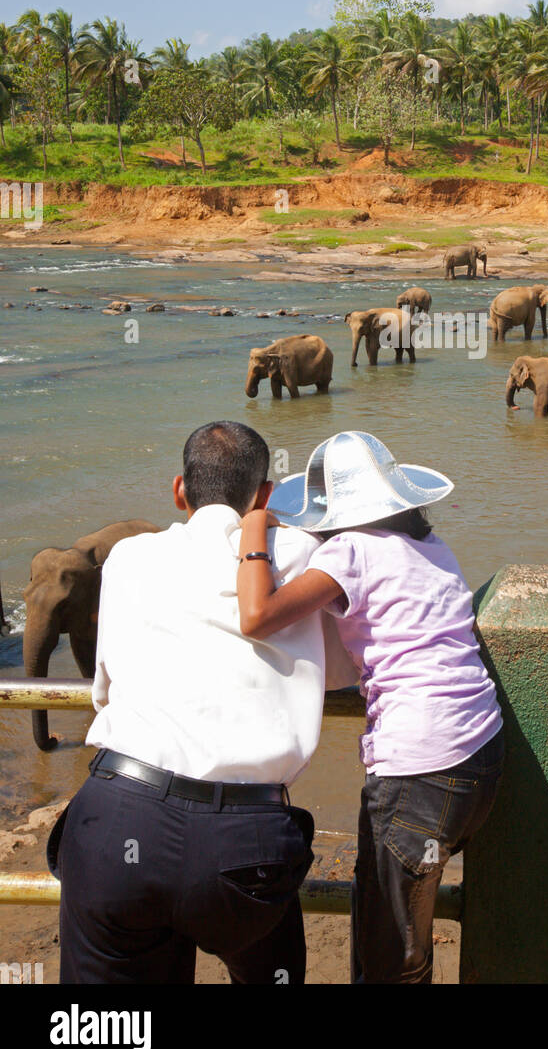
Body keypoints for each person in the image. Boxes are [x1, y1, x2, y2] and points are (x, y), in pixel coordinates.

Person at [48, 420, 356, 985]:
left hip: (118, 816)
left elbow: (105, 687)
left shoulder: (128, 559)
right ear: (264, 496)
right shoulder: (303, 556)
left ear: (179, 491)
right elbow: (342, 668)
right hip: (246, 844)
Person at [236, 429, 504, 984]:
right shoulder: (434, 547)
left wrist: (254, 527)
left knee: (392, 953)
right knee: (409, 933)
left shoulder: (347, 550)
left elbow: (257, 617)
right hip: (480, 752)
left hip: (419, 769)